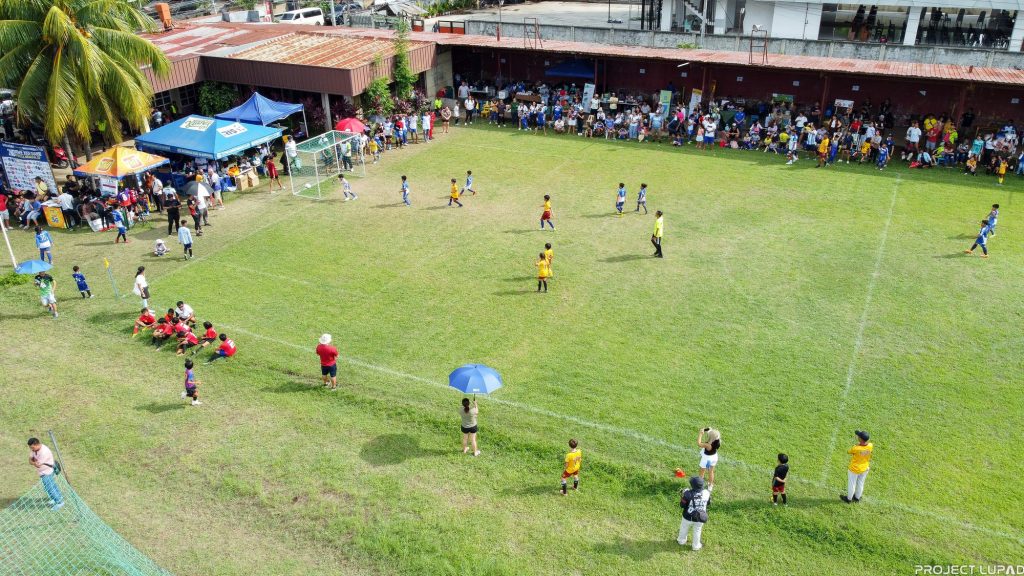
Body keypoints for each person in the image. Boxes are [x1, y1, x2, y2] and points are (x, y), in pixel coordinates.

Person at [28, 438, 64, 510]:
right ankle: (57, 497)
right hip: (42, 472)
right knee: (52, 485)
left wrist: (34, 462)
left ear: (37, 444)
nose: (32, 449)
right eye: (31, 448)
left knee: (49, 487)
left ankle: (59, 502)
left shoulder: (44, 451)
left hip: (47, 472)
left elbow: (38, 464)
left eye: (32, 447)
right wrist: (33, 462)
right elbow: (30, 460)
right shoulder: (34, 450)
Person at [677, 476, 711, 551]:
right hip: (700, 517)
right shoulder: (706, 493)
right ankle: (696, 546)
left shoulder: (687, 494)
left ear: (692, 485)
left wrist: (684, 494)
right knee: (697, 531)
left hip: (687, 516)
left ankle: (681, 541)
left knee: (684, 528)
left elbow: (682, 505)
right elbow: (708, 503)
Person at [840, 430, 873, 503]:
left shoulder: (856, 448)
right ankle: (857, 498)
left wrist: (857, 445)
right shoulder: (870, 445)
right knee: (861, 483)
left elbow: (849, 451)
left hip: (854, 469)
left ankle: (848, 499)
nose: (857, 436)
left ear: (860, 439)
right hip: (865, 468)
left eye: (859, 436)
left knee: (852, 484)